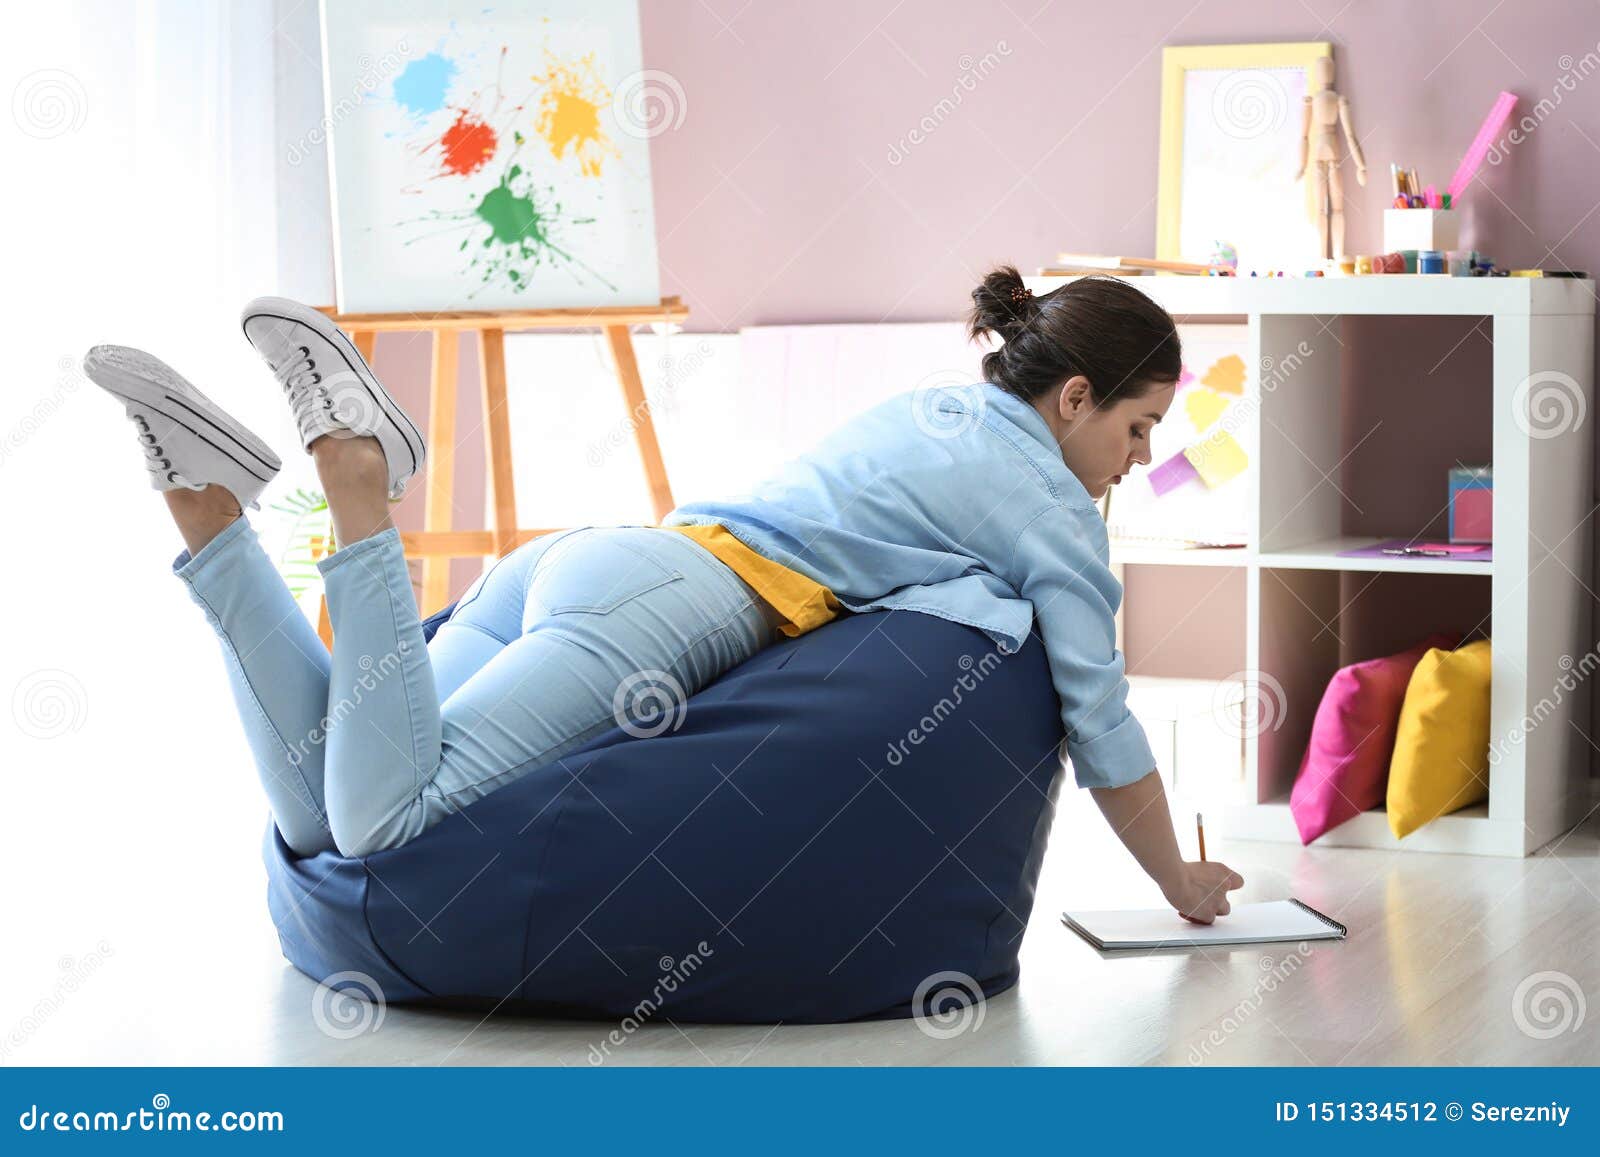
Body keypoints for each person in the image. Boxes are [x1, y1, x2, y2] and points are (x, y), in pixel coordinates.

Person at [83, 267, 1243, 922]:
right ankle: (357, 472)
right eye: (1139, 427)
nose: (1137, 459)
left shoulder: (937, 406)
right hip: (666, 610)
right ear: (1075, 398)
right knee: (384, 822)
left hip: (583, 560)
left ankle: (207, 510)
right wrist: (1176, 879)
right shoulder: (1055, 515)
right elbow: (1101, 721)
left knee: (318, 808)